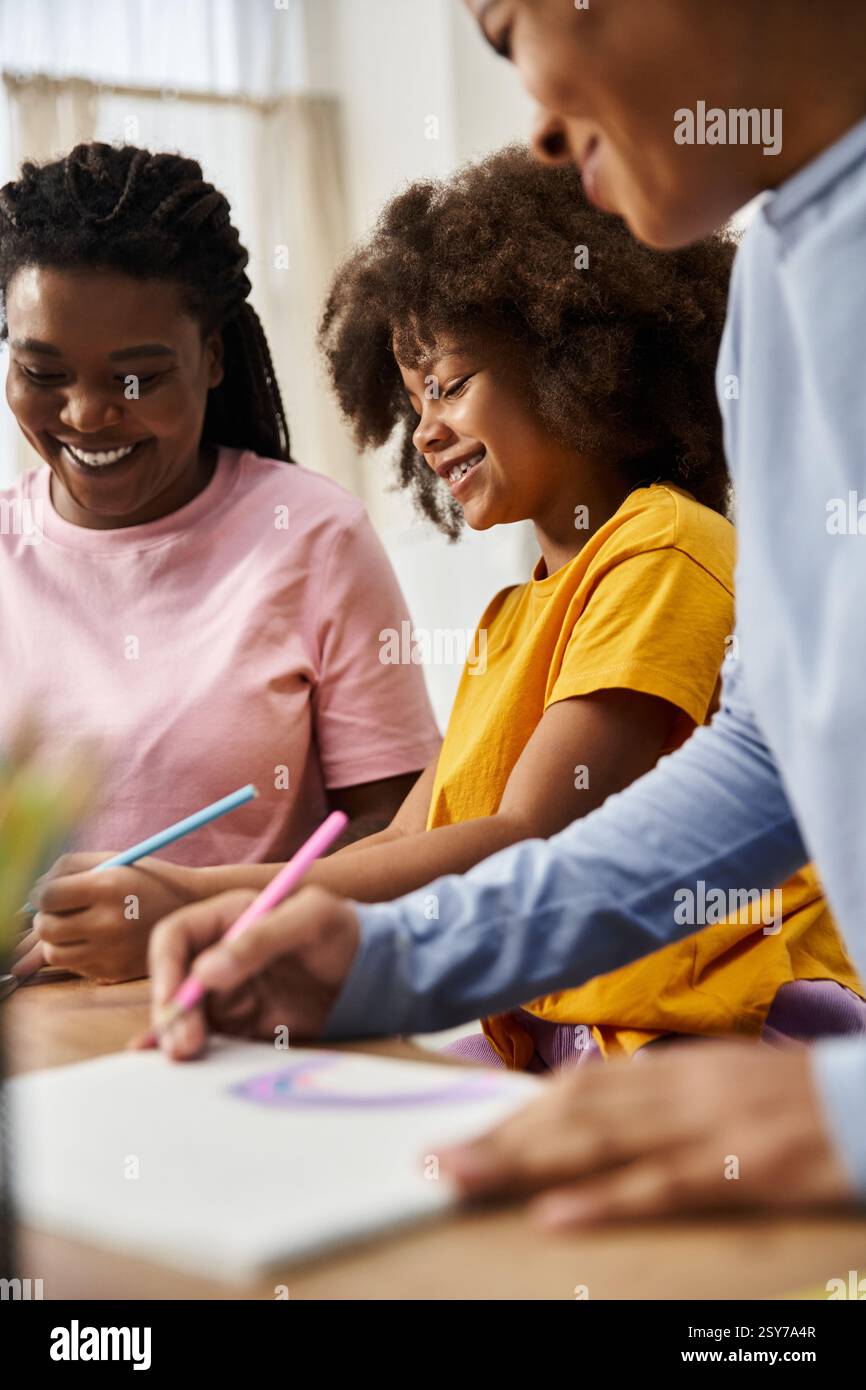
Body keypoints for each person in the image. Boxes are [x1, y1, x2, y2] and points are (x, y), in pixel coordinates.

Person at [144, 0, 866, 1220]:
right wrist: (382, 957)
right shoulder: (791, 285)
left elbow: (537, 823)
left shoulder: (666, 541)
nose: (536, 127)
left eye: (509, 25)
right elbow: (767, 760)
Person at [0, 143, 439, 984]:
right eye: (42, 372)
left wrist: (207, 909)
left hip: (241, 1031)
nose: (88, 414)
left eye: (137, 378)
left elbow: (407, 843)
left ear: (212, 358)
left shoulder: (314, 540)